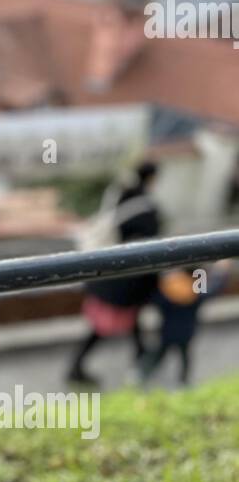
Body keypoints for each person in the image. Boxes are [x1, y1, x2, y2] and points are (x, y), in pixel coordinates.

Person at [66, 161, 161, 387]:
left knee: (121, 323)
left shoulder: (122, 195)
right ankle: (77, 367)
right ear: (152, 179)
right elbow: (147, 252)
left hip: (104, 274)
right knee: (104, 326)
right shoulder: (147, 210)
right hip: (125, 282)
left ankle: (141, 356)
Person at [139, 262, 231, 386]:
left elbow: (152, 296)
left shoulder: (167, 293)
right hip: (186, 333)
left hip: (167, 332)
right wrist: (220, 272)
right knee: (184, 358)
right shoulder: (196, 294)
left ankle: (141, 374)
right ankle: (183, 382)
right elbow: (212, 288)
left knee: (160, 354)